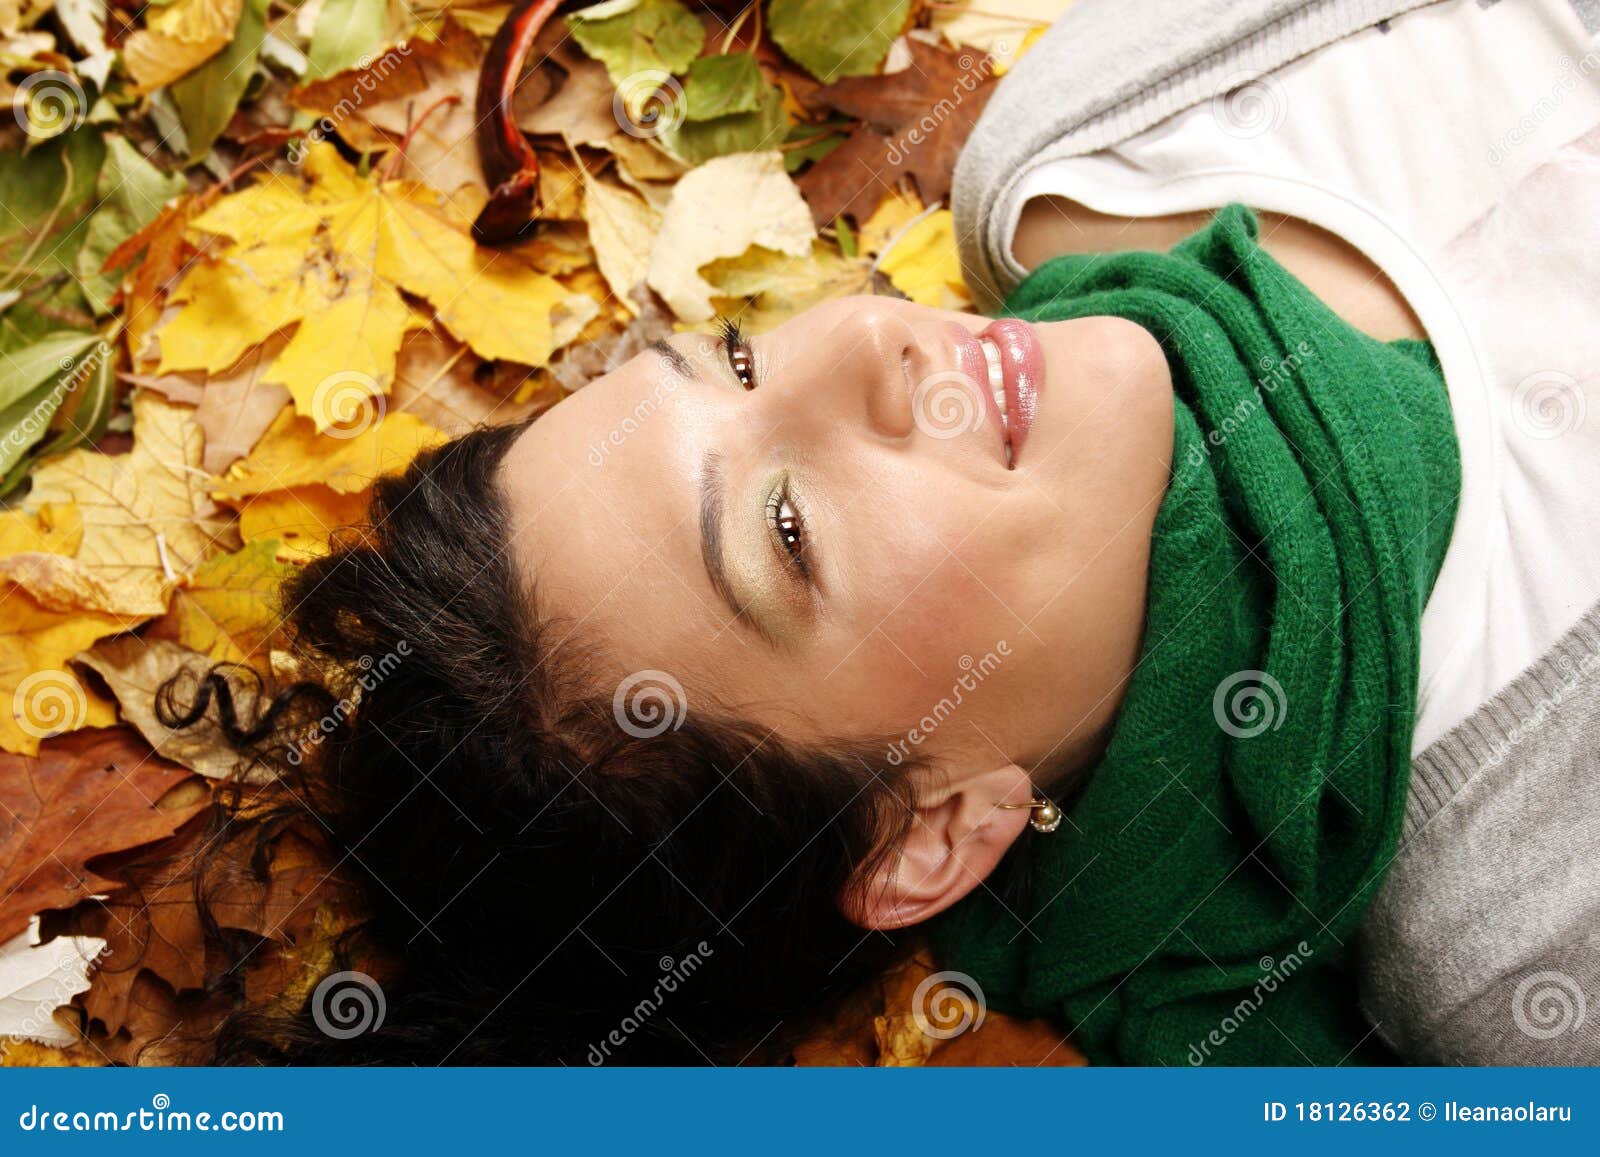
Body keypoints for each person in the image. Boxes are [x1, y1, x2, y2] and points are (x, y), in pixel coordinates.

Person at [178, 0, 1600, 1065]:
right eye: (787, 531)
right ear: (929, 835)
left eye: (734, 364)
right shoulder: (1530, 920)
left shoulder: (1081, 138)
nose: (863, 338)